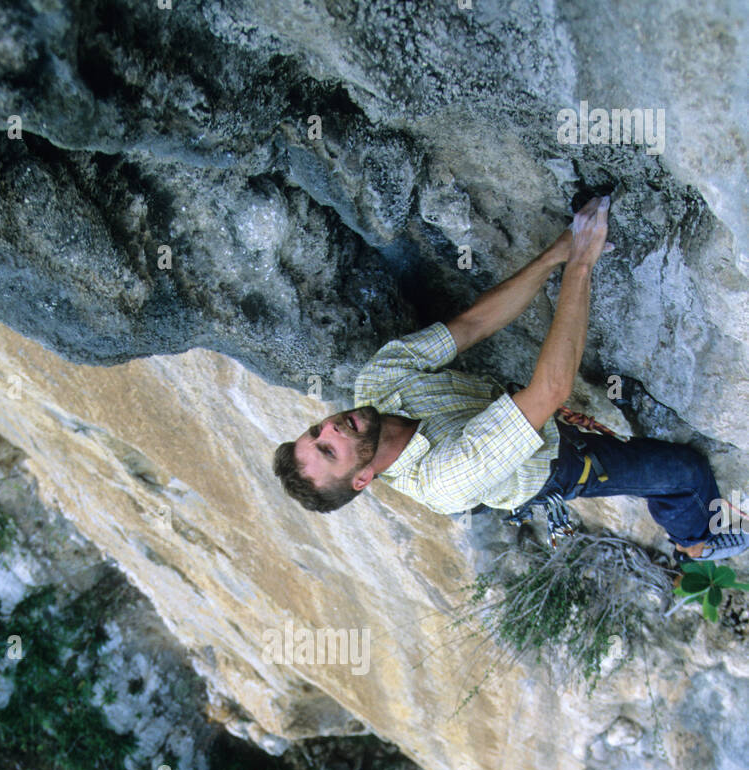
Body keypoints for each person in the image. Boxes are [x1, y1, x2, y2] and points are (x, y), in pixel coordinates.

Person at [273, 196, 745, 565]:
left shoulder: (377, 383)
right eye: (328, 450)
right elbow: (549, 391)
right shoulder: (443, 480)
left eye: (316, 432)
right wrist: (582, 264)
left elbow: (474, 325)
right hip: (556, 464)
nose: (331, 428)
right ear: (362, 479)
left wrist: (557, 253)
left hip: (526, 413)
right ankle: (695, 543)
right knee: (686, 473)